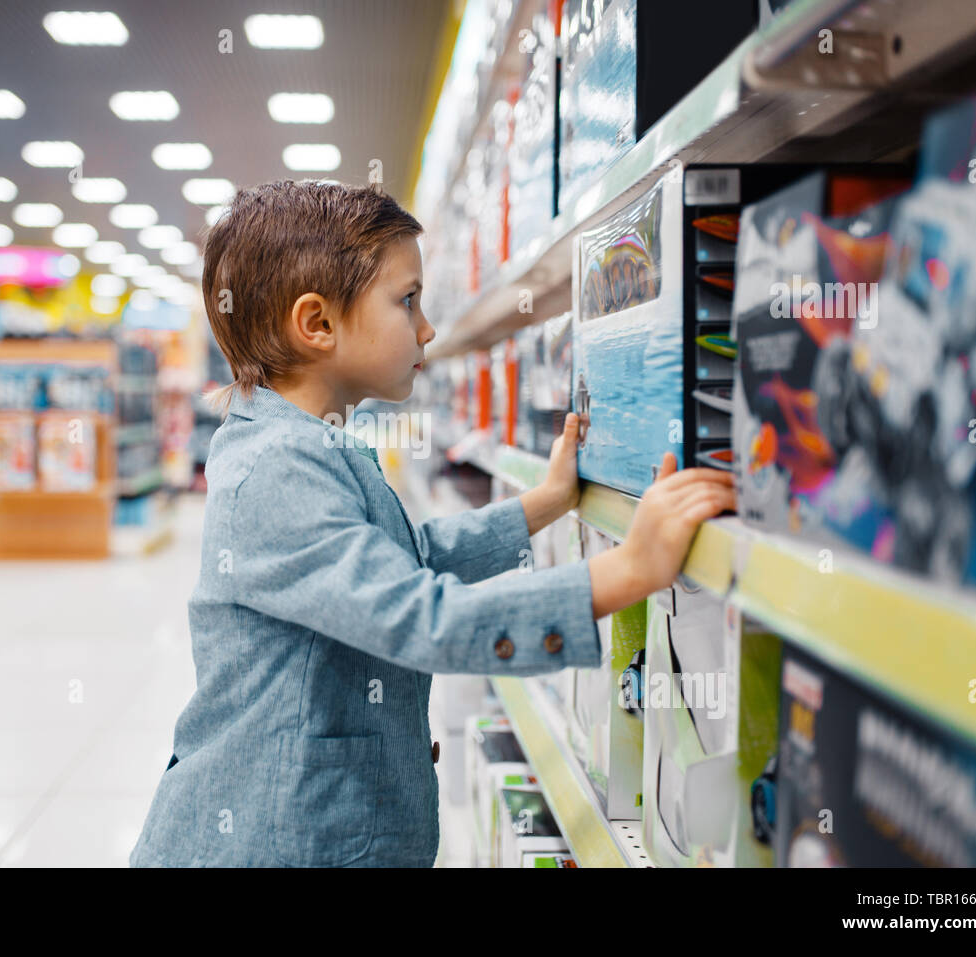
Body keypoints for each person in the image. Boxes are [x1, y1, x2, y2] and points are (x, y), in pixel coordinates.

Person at [130, 181, 733, 867]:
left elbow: (407, 556)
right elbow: (424, 619)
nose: (428, 328)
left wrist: (545, 502)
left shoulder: (308, 444)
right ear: (317, 324)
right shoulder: (277, 471)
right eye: (407, 300)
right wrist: (627, 570)